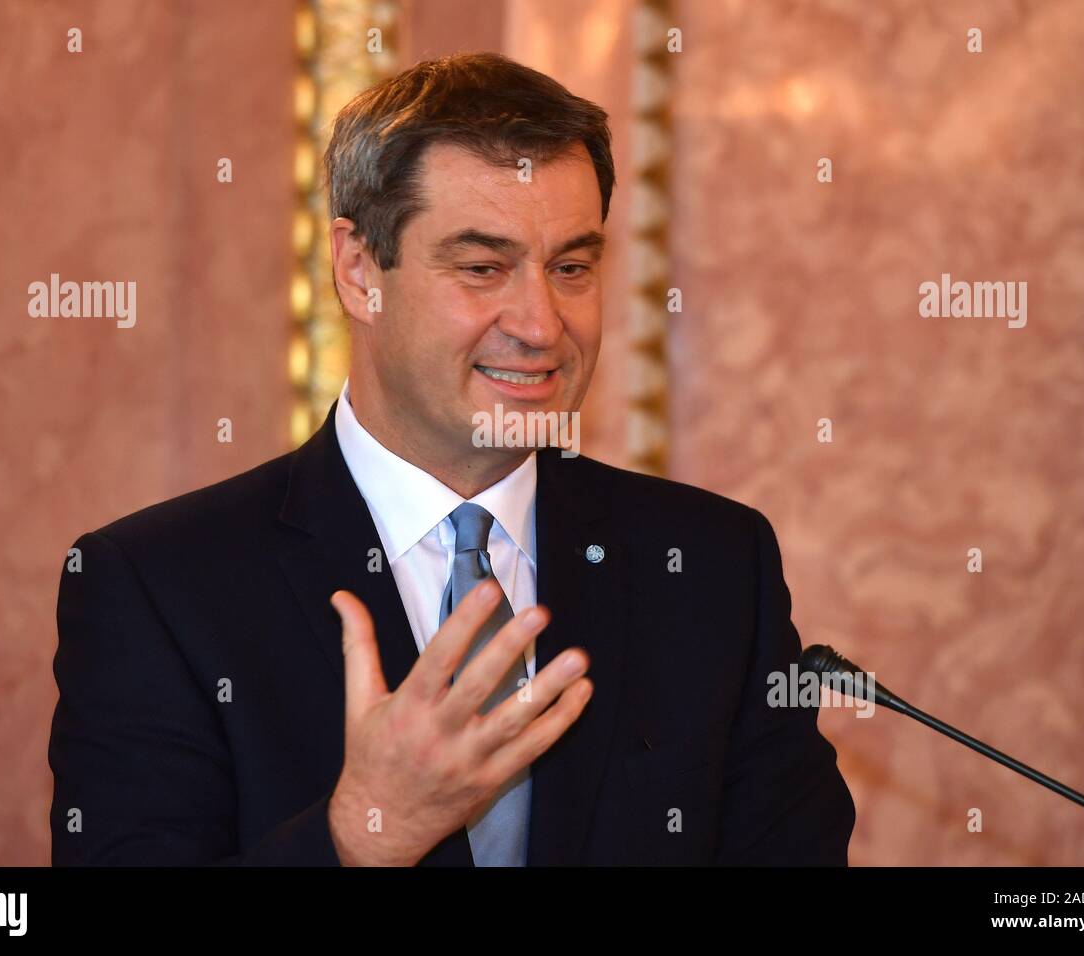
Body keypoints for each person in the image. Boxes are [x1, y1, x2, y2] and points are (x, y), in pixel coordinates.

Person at [48, 51, 855, 866]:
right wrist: (363, 832)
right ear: (360, 271)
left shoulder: (714, 567)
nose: (542, 324)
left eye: (572, 267)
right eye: (482, 268)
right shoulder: (156, 587)